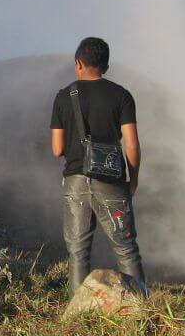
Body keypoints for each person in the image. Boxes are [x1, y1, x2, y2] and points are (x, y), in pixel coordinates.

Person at [49, 36, 144, 297]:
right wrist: (132, 180)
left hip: (76, 180)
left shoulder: (63, 97)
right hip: (112, 181)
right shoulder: (122, 96)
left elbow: (57, 149)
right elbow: (132, 145)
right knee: (126, 248)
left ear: (78, 63)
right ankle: (141, 307)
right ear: (106, 65)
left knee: (78, 251)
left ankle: (78, 313)